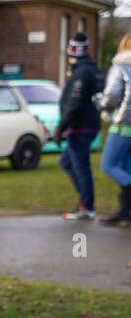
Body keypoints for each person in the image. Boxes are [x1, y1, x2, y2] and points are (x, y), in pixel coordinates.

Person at [55, 33, 102, 221]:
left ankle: (87, 207)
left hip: (80, 127)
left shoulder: (82, 73)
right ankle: (85, 202)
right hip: (85, 126)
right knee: (66, 162)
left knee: (81, 167)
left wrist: (61, 128)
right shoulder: (88, 69)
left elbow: (75, 102)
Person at [96, 31, 131, 227]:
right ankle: (125, 214)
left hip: (122, 125)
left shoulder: (120, 67)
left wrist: (98, 103)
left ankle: (125, 212)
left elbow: (111, 97)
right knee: (126, 168)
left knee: (108, 165)